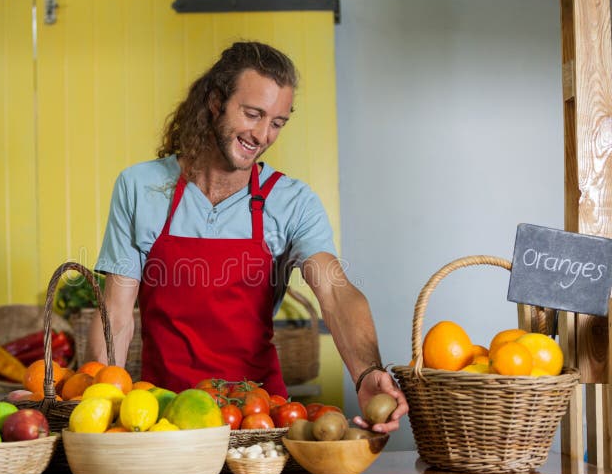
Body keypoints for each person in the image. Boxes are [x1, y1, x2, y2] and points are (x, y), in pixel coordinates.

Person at [88, 41, 408, 433]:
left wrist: (367, 372)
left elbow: (335, 292)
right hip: (163, 419)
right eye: (253, 114)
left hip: (258, 418)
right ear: (215, 102)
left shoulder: (292, 201)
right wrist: (99, 402)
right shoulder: (141, 187)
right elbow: (116, 314)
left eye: (277, 122)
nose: (262, 134)